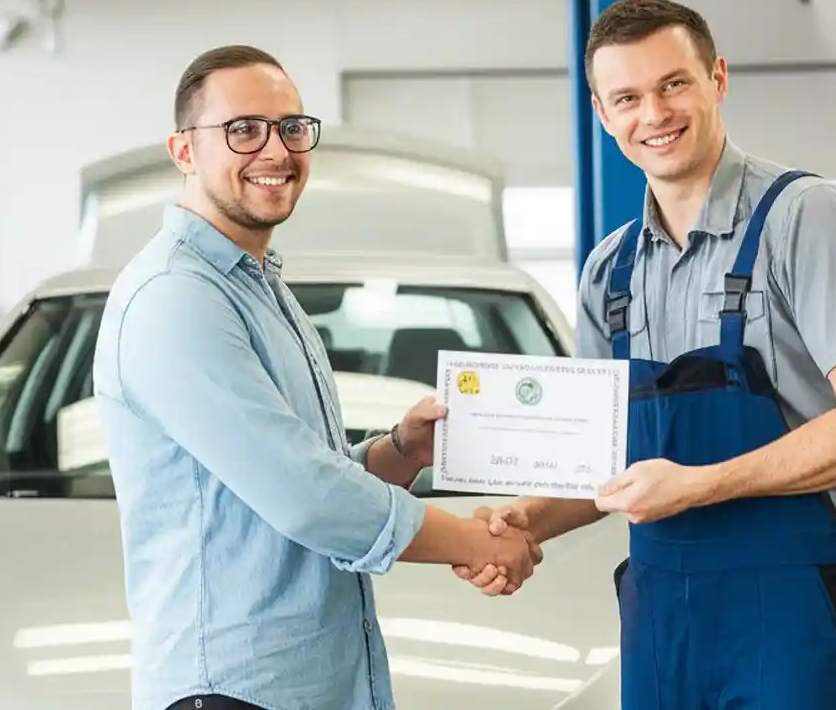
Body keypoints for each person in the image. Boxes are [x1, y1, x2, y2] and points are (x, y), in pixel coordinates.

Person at [456, 0, 836, 710]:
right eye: (627, 98)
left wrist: (699, 485)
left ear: (717, 79)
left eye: (673, 84)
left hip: (794, 604)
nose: (654, 114)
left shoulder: (807, 219)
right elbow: (601, 463)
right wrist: (525, 522)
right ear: (603, 116)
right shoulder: (608, 271)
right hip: (662, 612)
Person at [92, 45, 540, 710]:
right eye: (243, 129)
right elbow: (306, 497)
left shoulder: (259, 286)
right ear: (184, 150)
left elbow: (301, 472)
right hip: (235, 690)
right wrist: (475, 542)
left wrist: (401, 451)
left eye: (291, 127)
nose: (275, 150)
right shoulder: (176, 299)